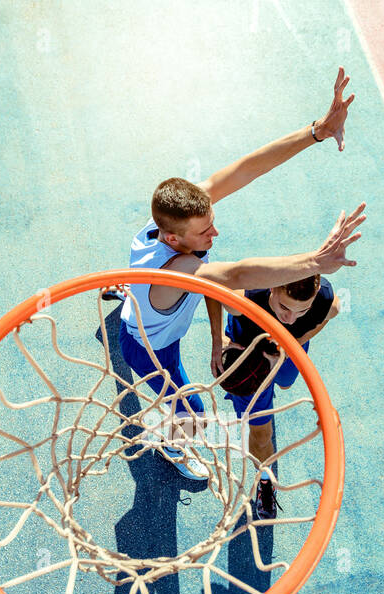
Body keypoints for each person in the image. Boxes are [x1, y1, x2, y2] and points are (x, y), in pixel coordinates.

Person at [119, 68, 363, 481]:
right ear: (174, 239)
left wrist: (316, 131)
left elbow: (247, 168)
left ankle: (122, 292)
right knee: (192, 414)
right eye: (204, 231)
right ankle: (174, 446)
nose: (215, 233)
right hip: (150, 348)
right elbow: (236, 275)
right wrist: (314, 262)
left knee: (140, 299)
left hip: (147, 309)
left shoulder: (170, 217)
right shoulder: (179, 267)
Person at [216, 274, 338, 518]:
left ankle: (280, 371)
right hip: (249, 358)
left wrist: (292, 345)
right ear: (272, 287)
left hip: (288, 348)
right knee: (261, 434)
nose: (290, 318)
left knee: (284, 384)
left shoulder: (325, 299)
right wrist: (217, 337)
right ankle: (265, 482)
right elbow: (212, 288)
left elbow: (331, 311)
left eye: (302, 310)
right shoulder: (246, 295)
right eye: (284, 307)